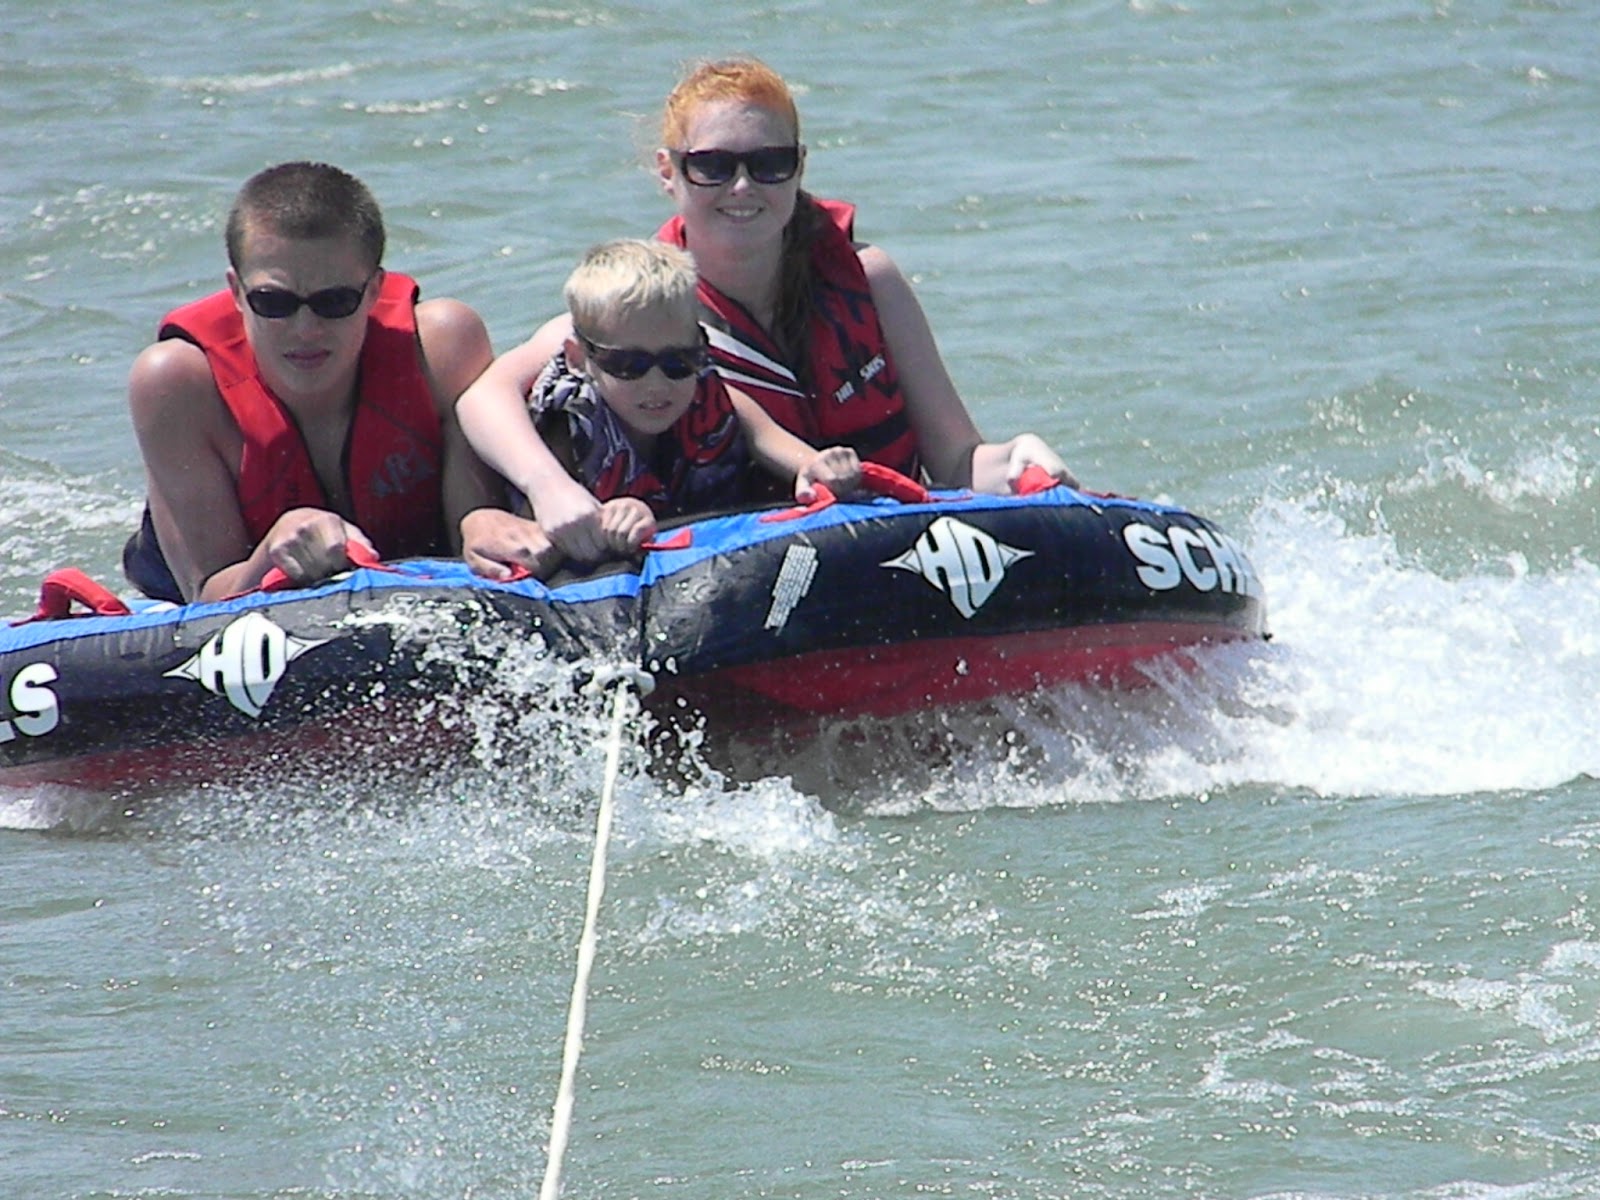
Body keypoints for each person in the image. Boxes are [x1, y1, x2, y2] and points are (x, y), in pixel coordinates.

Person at [457, 56, 1075, 573]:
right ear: (669, 172)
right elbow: (483, 397)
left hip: (900, 560)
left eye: (769, 163)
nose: (743, 187)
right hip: (760, 582)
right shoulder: (645, 309)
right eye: (713, 166)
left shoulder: (869, 279)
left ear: (798, 166)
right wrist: (547, 488)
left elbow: (957, 461)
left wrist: (1014, 460)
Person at [123, 160, 512, 603]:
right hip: (205, 585)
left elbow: (474, 546)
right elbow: (205, 596)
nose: (305, 330)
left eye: (335, 301)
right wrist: (273, 550)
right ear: (236, 292)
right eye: (273, 302)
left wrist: (490, 522)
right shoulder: (179, 383)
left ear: (374, 291)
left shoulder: (442, 349)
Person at [478, 237, 860, 579]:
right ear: (580, 359)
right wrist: (614, 522)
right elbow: (536, 549)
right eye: (629, 365)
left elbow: (776, 444)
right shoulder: (565, 426)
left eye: (679, 361)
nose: (657, 384)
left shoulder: (709, 392)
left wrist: (821, 467)